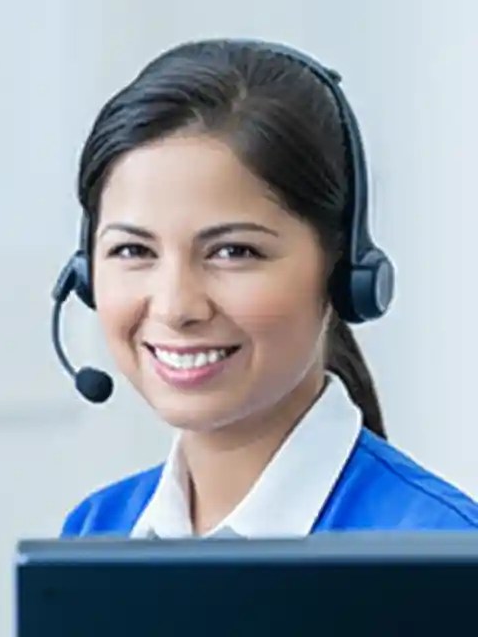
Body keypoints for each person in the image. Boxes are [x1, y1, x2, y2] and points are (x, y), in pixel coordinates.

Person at [58, 39, 478, 539]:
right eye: (133, 251)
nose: (176, 307)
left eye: (233, 252)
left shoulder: (439, 552)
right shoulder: (97, 532)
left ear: (343, 272)